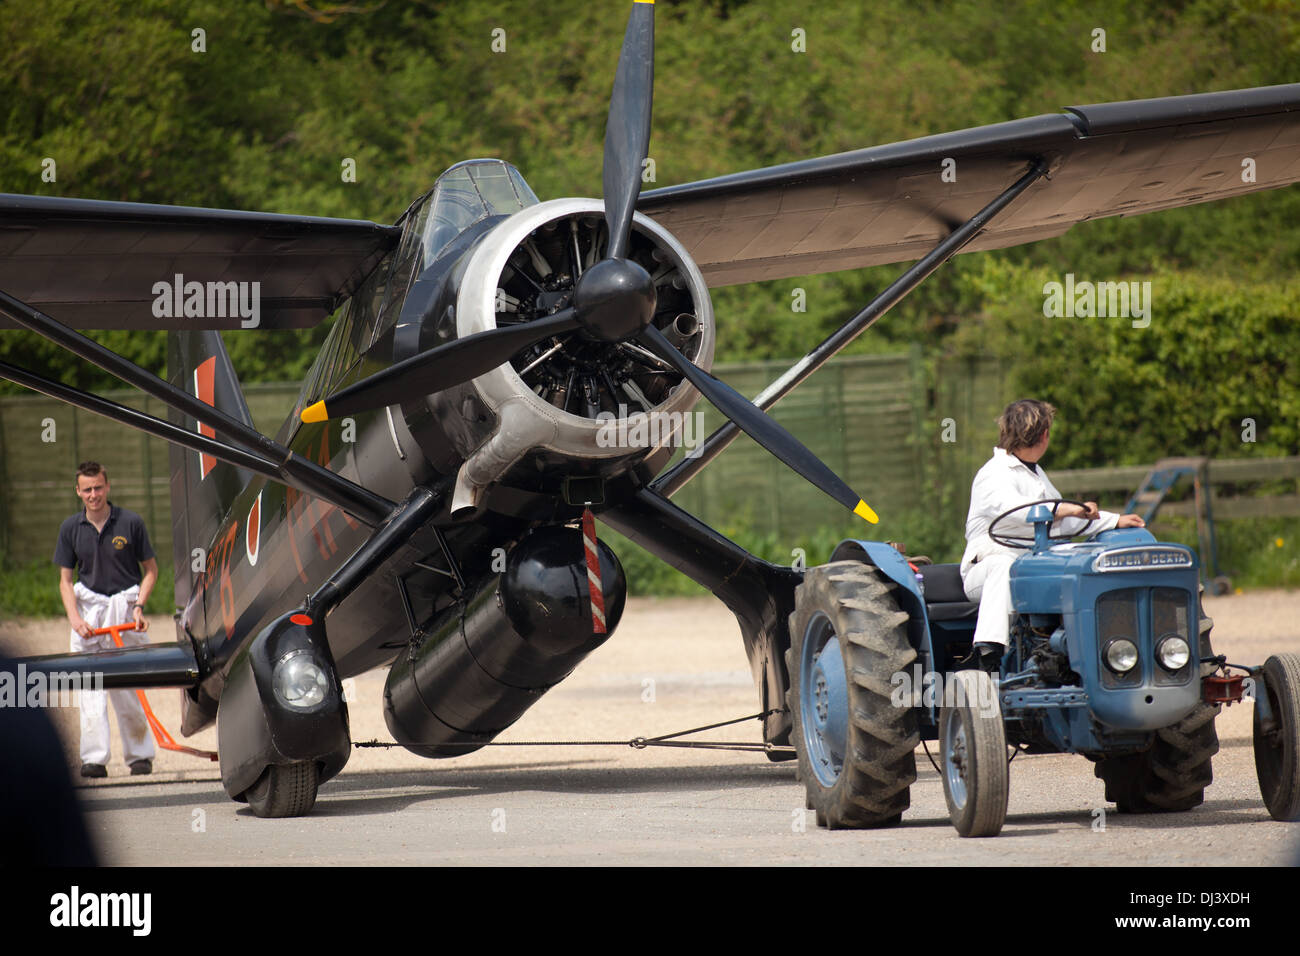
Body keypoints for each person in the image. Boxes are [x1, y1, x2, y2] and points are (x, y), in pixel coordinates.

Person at [959, 400, 1145, 670]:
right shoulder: (992, 474)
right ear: (1045, 434)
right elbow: (1019, 512)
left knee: (1087, 561)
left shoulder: (1035, 474)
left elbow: (1063, 524)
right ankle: (989, 654)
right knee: (1005, 567)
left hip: (1035, 564)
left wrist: (1114, 520)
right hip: (986, 570)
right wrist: (1067, 509)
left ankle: (1111, 647)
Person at [53, 461, 158, 778]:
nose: (93, 494)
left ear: (107, 486)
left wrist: (139, 606)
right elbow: (65, 581)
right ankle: (94, 759)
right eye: (87, 489)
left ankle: (140, 756)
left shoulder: (131, 522)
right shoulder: (70, 528)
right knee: (90, 688)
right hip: (91, 614)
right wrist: (74, 618)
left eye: (98, 487)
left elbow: (151, 571)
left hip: (124, 611)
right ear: (78, 492)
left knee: (128, 685)